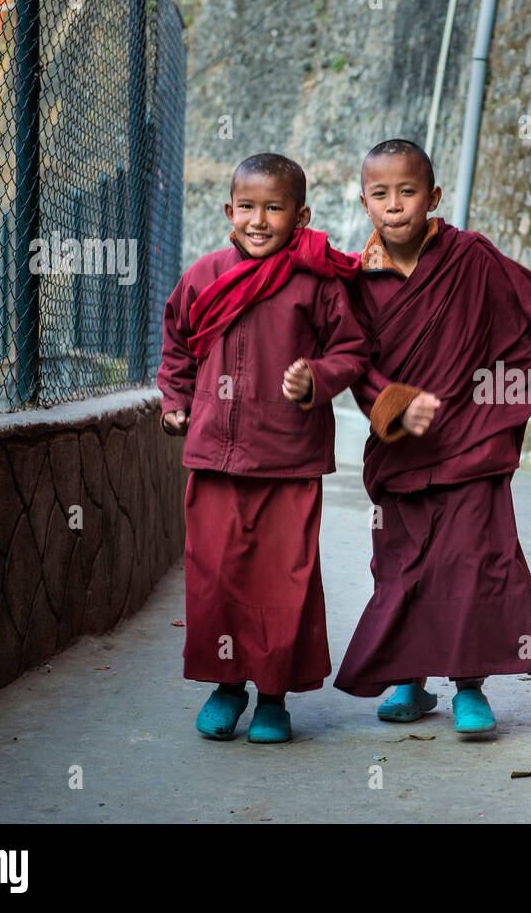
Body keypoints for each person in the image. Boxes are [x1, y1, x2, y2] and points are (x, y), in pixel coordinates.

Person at [333, 139, 531, 733]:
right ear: (363, 202)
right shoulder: (354, 279)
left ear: (433, 197)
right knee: (402, 565)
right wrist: (394, 405)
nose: (395, 206)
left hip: (472, 439)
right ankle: (410, 677)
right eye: (381, 194)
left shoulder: (470, 256)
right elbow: (351, 358)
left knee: (474, 563)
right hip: (401, 448)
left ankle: (470, 686)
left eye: (408, 192)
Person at [157, 152, 367, 744]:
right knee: (215, 576)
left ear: (300, 217)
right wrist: (175, 398)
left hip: (287, 458)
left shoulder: (316, 283)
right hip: (215, 458)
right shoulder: (204, 275)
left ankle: (273, 697)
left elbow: (352, 350)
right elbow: (176, 341)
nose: (258, 220)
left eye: (273, 208)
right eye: (247, 206)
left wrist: (318, 378)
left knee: (283, 582)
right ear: (229, 211)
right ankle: (228, 686)